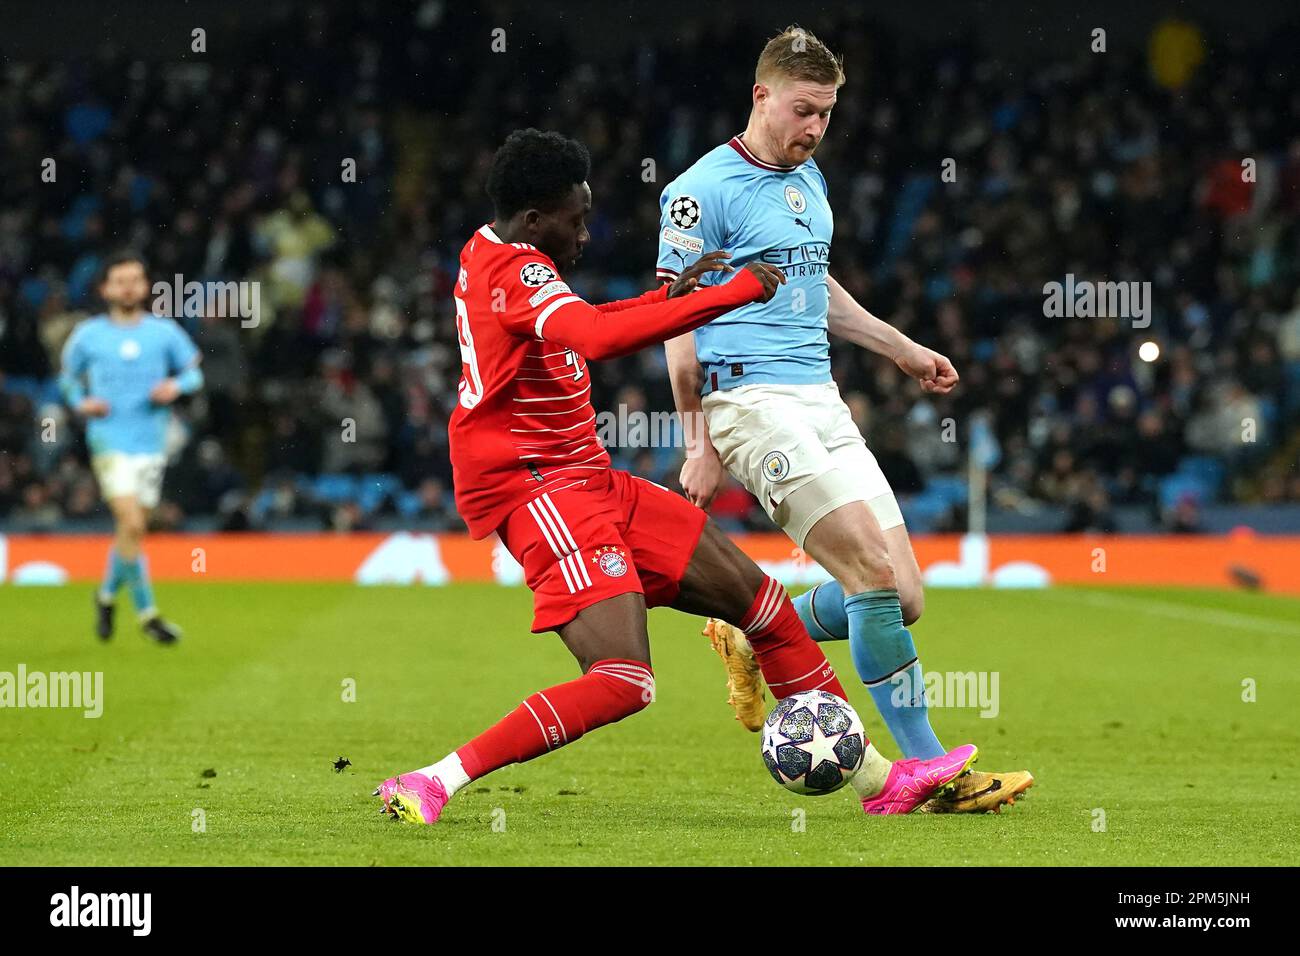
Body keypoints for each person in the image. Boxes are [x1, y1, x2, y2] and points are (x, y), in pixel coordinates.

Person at [375, 129, 977, 824]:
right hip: (539, 492)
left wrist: (670, 298)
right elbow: (597, 340)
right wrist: (734, 293)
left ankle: (882, 784)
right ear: (535, 220)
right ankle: (433, 779)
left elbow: (597, 318)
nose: (587, 232)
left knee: (770, 612)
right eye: (576, 218)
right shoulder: (516, 272)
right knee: (625, 682)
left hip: (590, 481)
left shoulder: (502, 255)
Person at [656, 27, 1032, 812]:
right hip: (749, 403)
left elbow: (818, 289)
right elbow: (675, 323)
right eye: (803, 111)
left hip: (819, 398)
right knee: (871, 574)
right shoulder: (699, 191)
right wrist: (698, 444)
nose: (815, 129)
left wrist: (900, 347)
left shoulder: (810, 180)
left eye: (826, 114)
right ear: (761, 96)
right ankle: (926, 774)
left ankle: (750, 634)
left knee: (906, 597)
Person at [60, 252, 203, 643]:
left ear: (145, 286)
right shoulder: (89, 335)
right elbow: (68, 379)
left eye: (135, 279)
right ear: (105, 288)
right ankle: (148, 614)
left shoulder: (164, 332)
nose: (128, 287)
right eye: (120, 280)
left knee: (131, 531)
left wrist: (176, 386)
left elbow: (195, 371)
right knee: (134, 523)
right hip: (109, 438)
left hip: (151, 441)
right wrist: (80, 402)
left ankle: (107, 596)